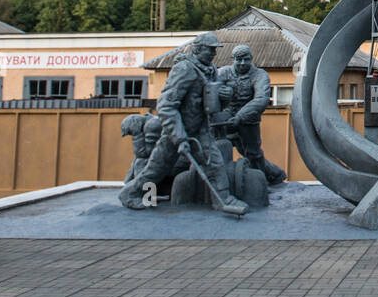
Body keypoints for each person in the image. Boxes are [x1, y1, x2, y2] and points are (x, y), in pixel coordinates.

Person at [120, 32, 246, 213]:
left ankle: (223, 199)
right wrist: (179, 138)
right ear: (198, 49)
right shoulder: (185, 69)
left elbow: (212, 101)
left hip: (200, 128)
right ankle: (130, 193)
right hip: (178, 130)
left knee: (214, 162)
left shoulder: (209, 70)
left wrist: (225, 95)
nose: (213, 54)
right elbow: (165, 106)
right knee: (158, 167)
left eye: (214, 50)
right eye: (210, 50)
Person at [215, 44, 286, 185]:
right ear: (232, 59)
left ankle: (266, 180)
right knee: (217, 150)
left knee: (253, 154)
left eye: (246, 59)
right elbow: (209, 91)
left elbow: (261, 99)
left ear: (251, 59)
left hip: (248, 121)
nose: (242, 63)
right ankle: (219, 184)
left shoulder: (260, 75)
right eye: (239, 59)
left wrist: (240, 117)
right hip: (225, 120)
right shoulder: (222, 73)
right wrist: (220, 92)